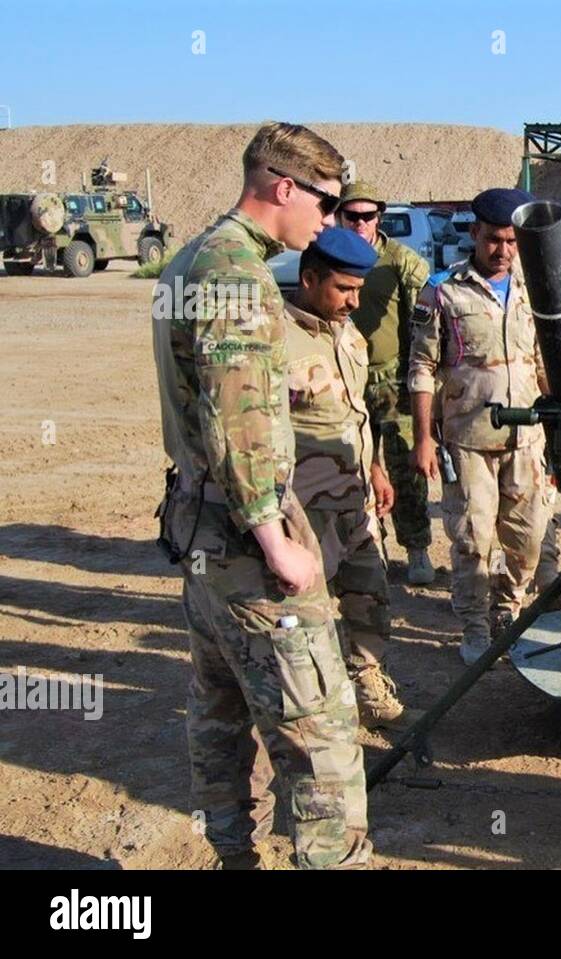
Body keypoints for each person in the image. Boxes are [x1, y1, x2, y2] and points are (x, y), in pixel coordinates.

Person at [151, 122, 370, 869]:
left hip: (199, 528)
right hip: (248, 541)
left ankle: (230, 855)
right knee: (321, 740)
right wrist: (276, 537)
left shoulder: (190, 259)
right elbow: (237, 414)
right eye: (326, 202)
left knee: (218, 709)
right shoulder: (237, 276)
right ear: (283, 187)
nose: (330, 221)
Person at [408, 188, 551, 665]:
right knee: (472, 539)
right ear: (474, 234)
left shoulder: (533, 288)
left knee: (529, 539)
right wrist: (424, 438)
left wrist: (555, 425)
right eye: (494, 240)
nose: (503, 250)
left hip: (527, 438)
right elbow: (422, 368)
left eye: (512, 242)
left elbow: (540, 360)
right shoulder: (443, 291)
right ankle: (475, 627)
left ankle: (507, 608)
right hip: (468, 439)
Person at [285, 227, 412, 728]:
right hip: (304, 505)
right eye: (344, 289)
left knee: (369, 596)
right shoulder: (273, 337)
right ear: (310, 278)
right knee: (304, 611)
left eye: (359, 290)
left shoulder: (348, 333)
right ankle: (309, 704)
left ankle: (367, 683)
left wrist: (376, 468)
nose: (354, 301)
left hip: (355, 497)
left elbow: (358, 412)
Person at [337, 181, 436, 585]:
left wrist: (422, 386)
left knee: (404, 468)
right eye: (352, 215)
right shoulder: (330, 258)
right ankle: (367, 549)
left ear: (379, 216)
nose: (360, 222)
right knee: (350, 466)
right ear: (340, 216)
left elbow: (425, 329)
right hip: (345, 380)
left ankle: (417, 550)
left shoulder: (401, 262)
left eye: (368, 215)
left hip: (392, 381)